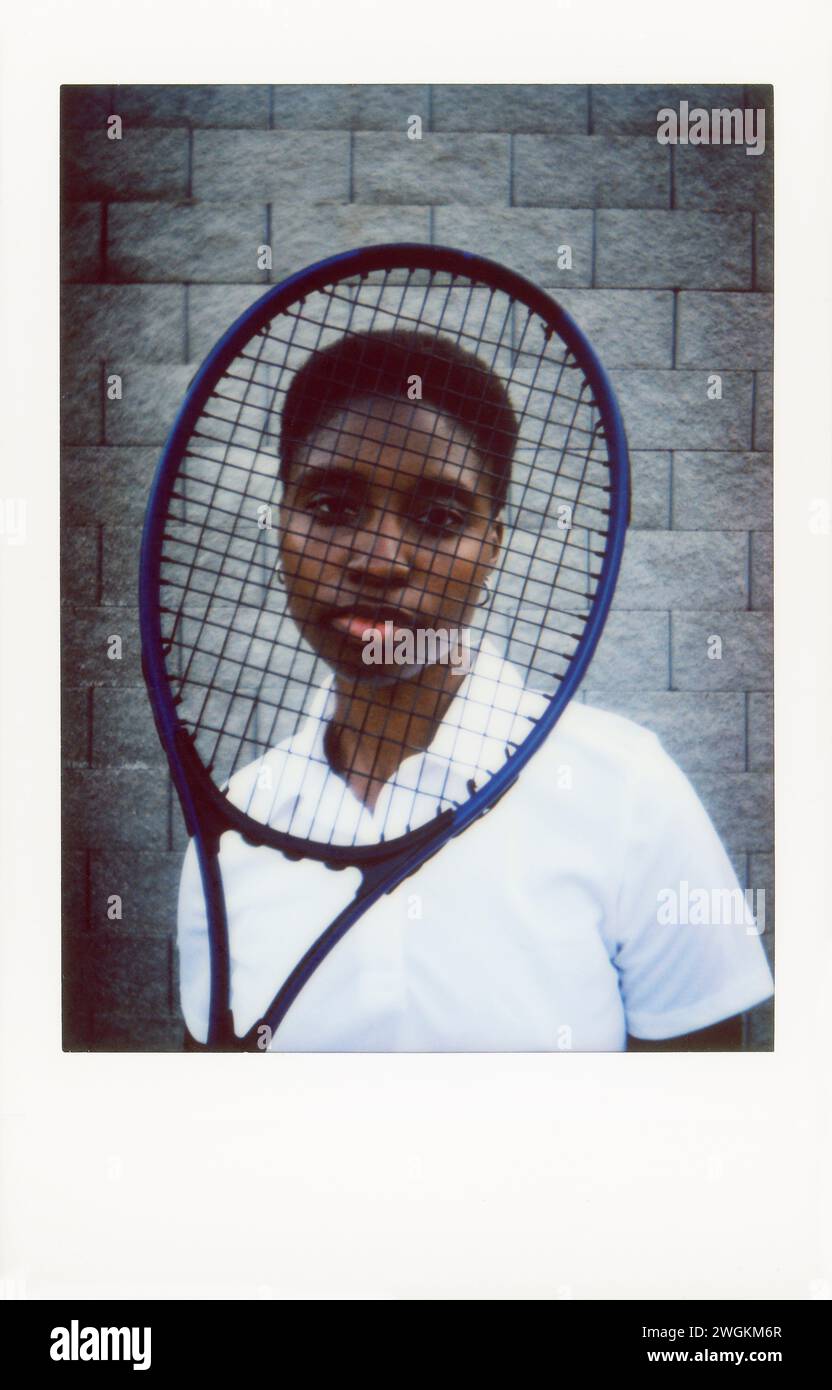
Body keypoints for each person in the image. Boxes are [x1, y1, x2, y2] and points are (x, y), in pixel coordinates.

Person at [178, 329, 774, 1051]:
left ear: (492, 546)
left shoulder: (625, 787)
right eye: (333, 508)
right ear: (281, 528)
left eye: (438, 519)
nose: (379, 559)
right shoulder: (237, 824)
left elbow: (701, 1110)